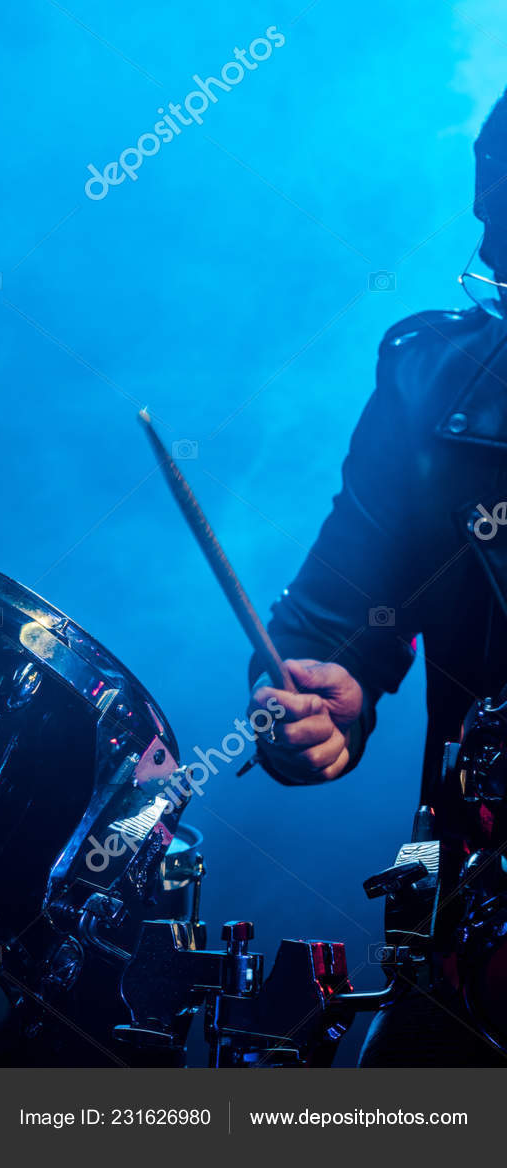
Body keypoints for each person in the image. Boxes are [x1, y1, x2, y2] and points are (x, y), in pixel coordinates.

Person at [245, 90, 507, 1066]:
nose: (490, 240)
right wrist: (317, 705)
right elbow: (320, 634)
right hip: (471, 948)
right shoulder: (429, 383)